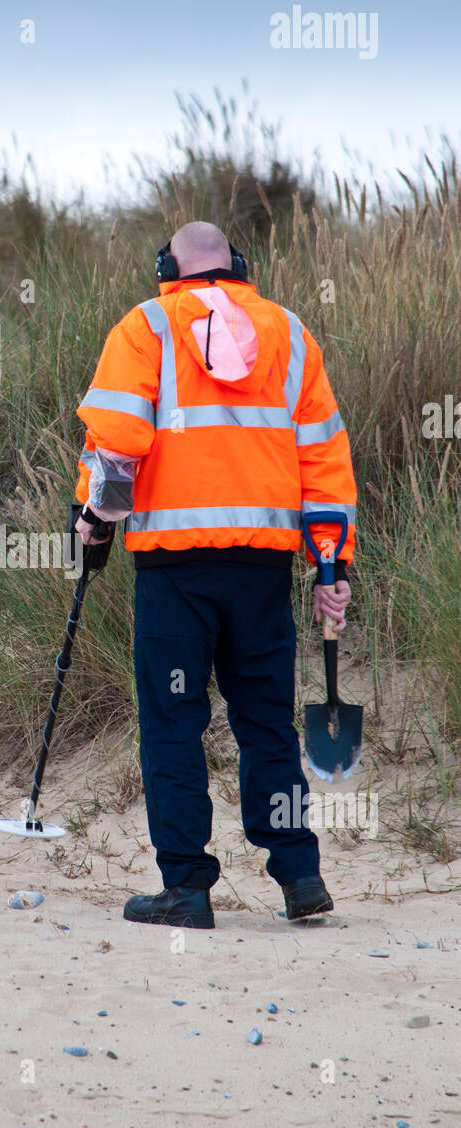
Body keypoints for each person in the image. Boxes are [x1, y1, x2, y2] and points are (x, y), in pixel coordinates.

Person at [74, 221, 356, 929]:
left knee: (173, 722)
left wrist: (92, 522)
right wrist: (330, 562)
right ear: (237, 264)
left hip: (175, 571)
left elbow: (115, 448)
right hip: (261, 570)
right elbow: (322, 459)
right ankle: (299, 875)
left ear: (167, 266)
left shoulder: (145, 328)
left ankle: (186, 889)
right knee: (264, 723)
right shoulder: (289, 333)